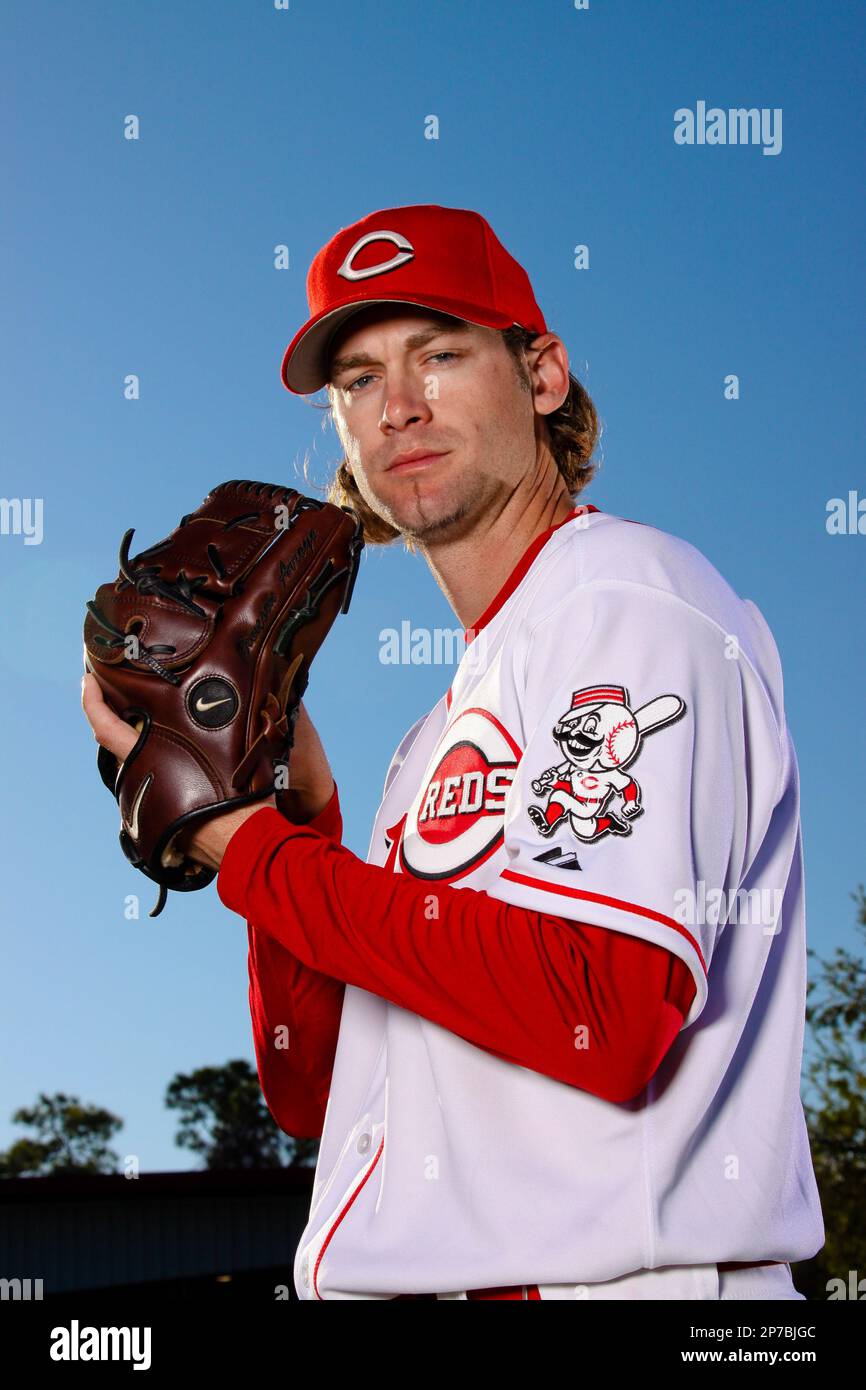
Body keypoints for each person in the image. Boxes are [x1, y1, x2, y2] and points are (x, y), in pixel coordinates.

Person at [82, 203, 825, 1301]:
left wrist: (254, 854)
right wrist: (298, 826)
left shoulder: (630, 599)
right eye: (359, 381)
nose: (400, 407)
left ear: (541, 374)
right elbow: (318, 1090)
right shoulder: (429, 742)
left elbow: (605, 1010)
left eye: (439, 353)